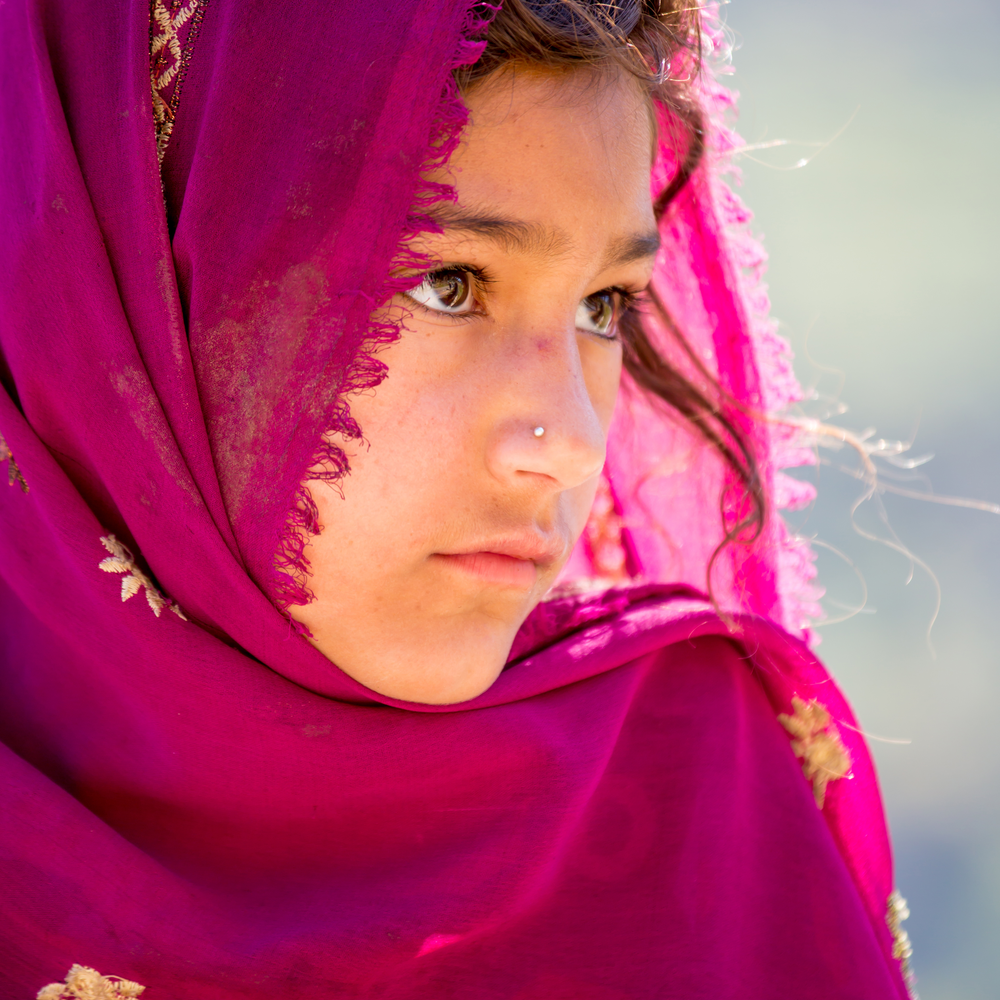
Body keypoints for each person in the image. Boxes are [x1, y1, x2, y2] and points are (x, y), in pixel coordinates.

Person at [0, 1, 912, 997]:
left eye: (603, 306)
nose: (567, 444)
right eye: (447, 281)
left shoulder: (704, 806)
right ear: (125, 284)